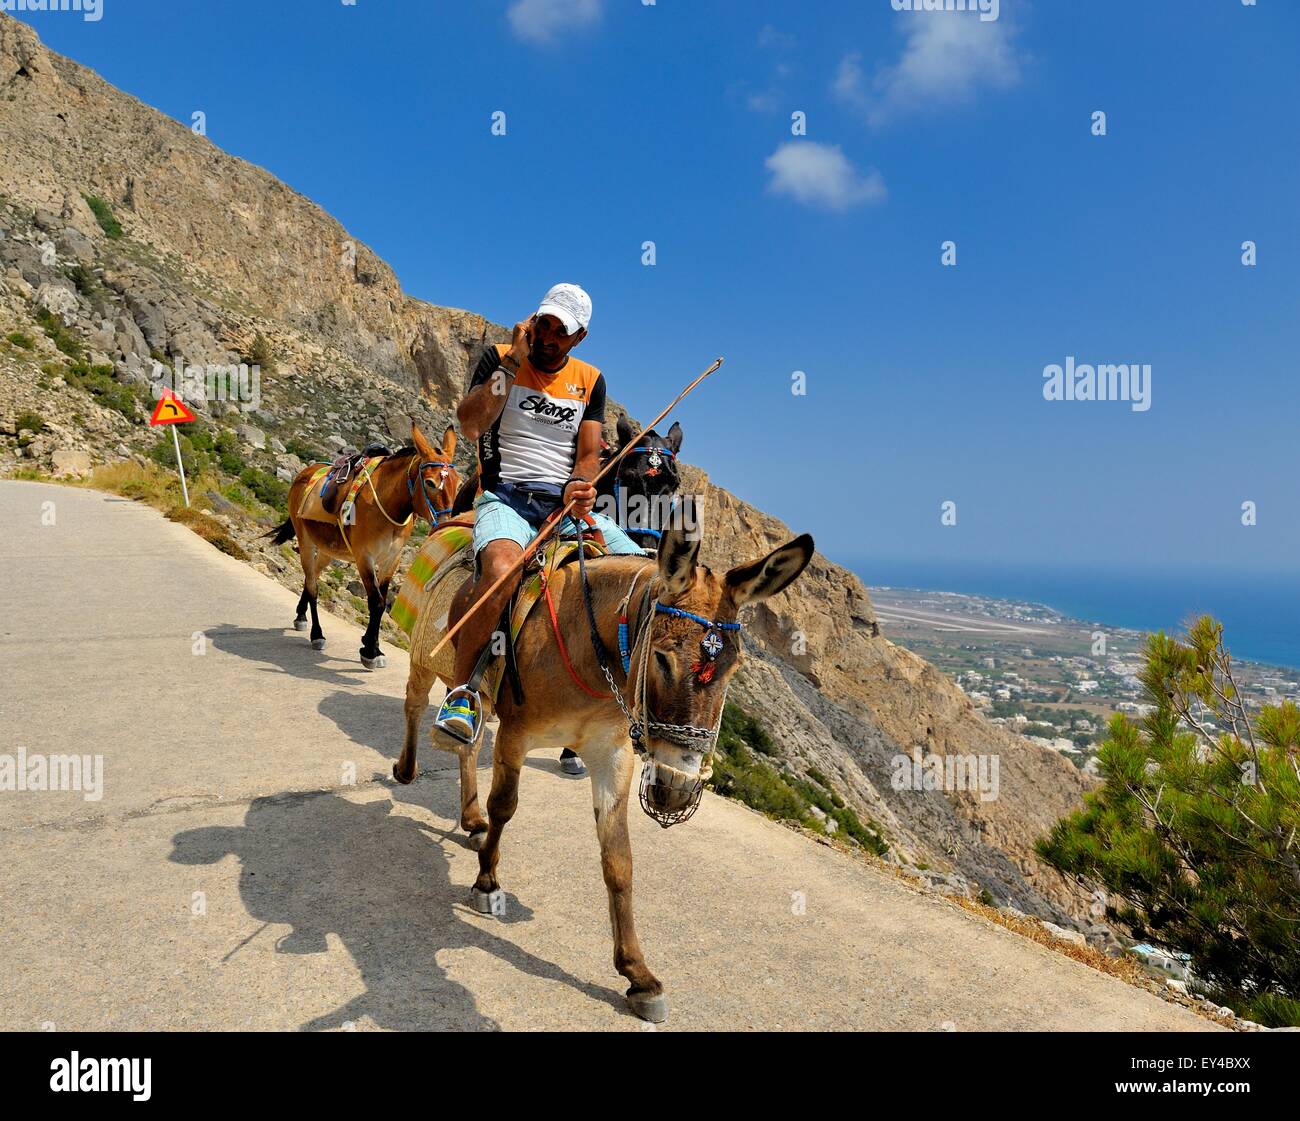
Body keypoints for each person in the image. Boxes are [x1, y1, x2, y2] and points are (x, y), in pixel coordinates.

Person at [436, 284, 644, 772]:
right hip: (505, 496)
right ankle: (464, 695)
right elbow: (470, 425)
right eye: (545, 324)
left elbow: (589, 455)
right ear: (534, 321)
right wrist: (512, 365)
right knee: (504, 569)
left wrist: (582, 483)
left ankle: (631, 709)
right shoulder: (500, 359)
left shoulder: (590, 381)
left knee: (645, 575)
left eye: (561, 331)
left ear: (579, 338)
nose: (549, 336)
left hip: (564, 506)